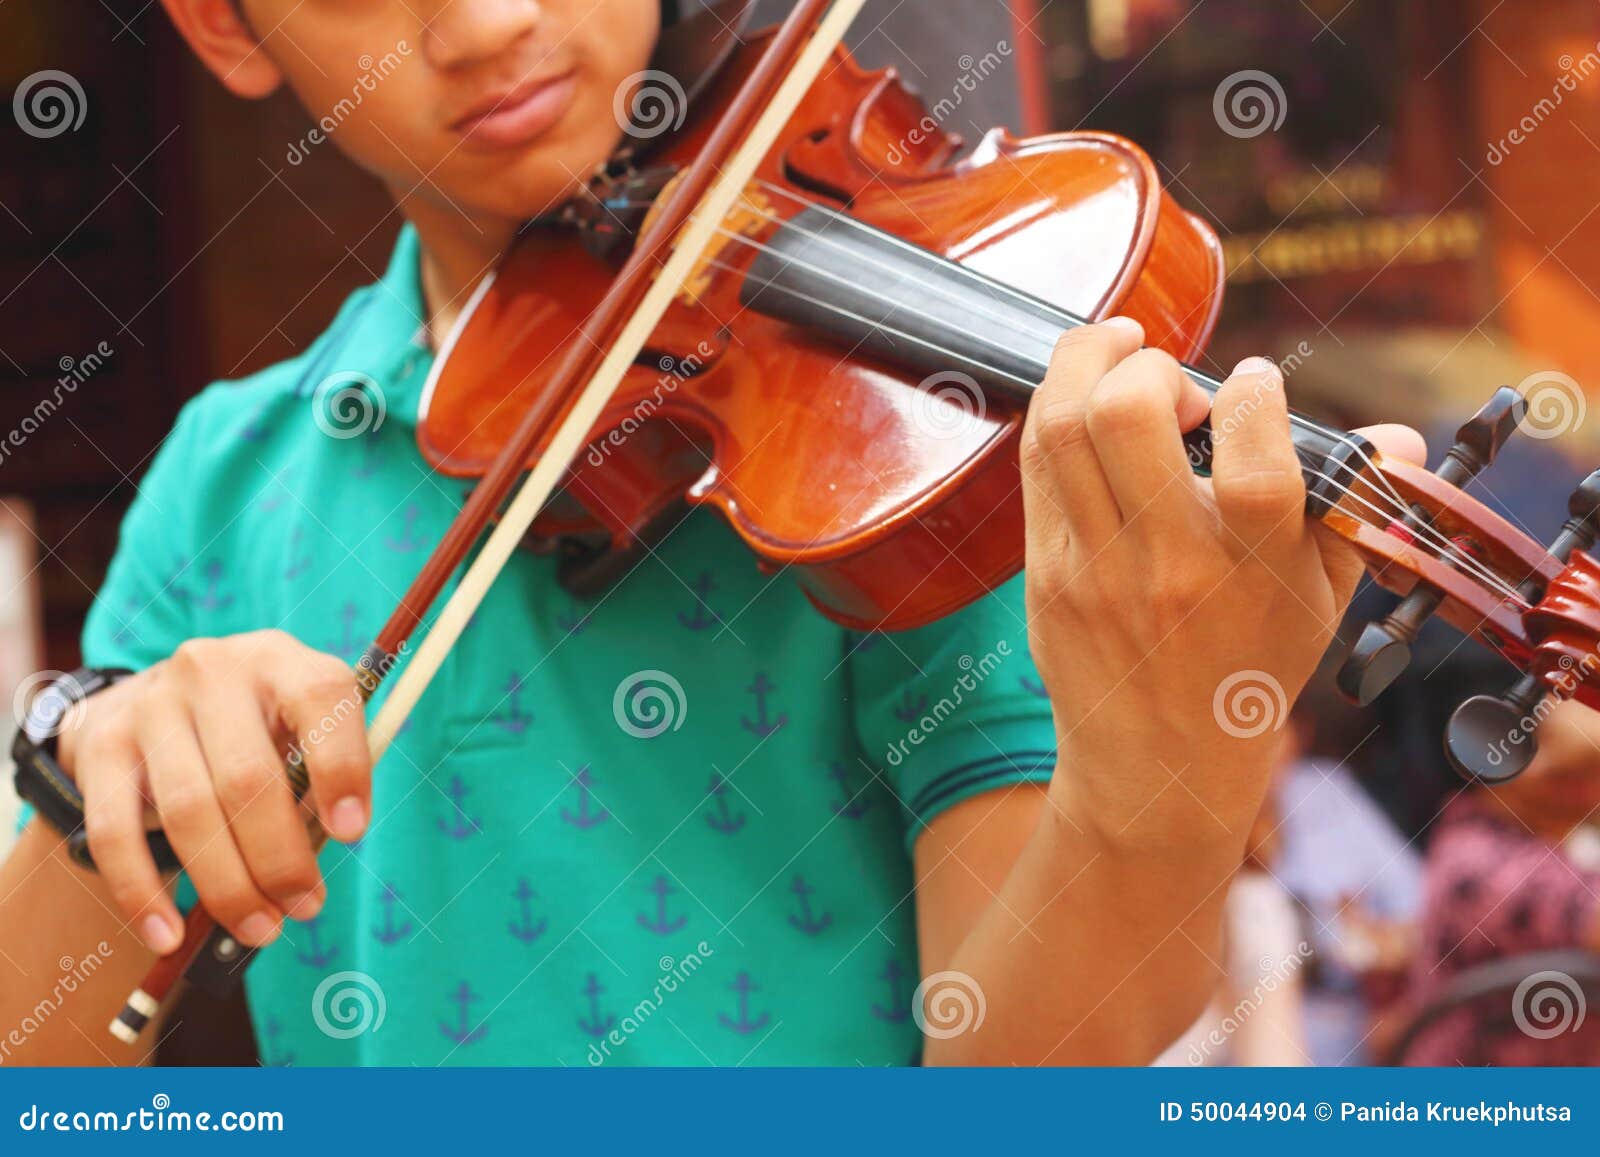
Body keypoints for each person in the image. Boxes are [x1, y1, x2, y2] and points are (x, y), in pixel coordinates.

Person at [0, 0, 1422, 1066]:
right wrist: (96, 780)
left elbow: (1024, 1074)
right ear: (223, 27)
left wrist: (1166, 780)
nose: (489, 24)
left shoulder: (892, 434)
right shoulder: (225, 478)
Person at [1399, 699, 1600, 1065]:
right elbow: (1585, 916)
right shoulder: (1476, 860)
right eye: (1574, 774)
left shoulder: (1558, 845)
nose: (1585, 791)